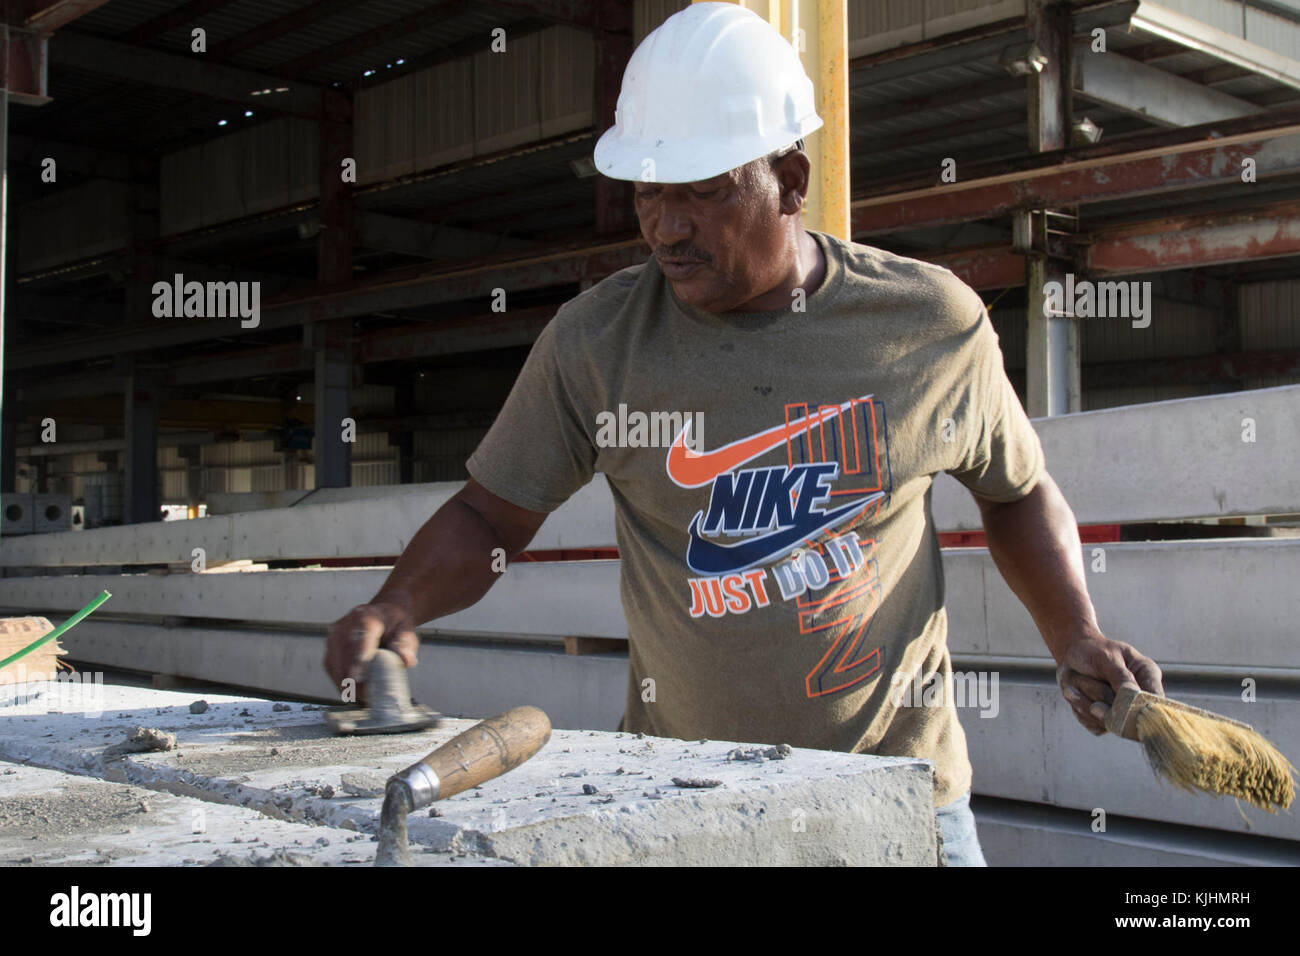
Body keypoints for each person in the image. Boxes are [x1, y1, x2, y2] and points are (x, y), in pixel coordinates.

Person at [324, 2, 1164, 866]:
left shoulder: (926, 324)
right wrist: (399, 603)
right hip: (685, 805)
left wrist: (1075, 634)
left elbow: (1016, 490)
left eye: (703, 189)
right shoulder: (598, 345)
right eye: (650, 190)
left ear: (791, 181)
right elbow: (489, 519)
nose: (667, 225)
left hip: (901, 807)